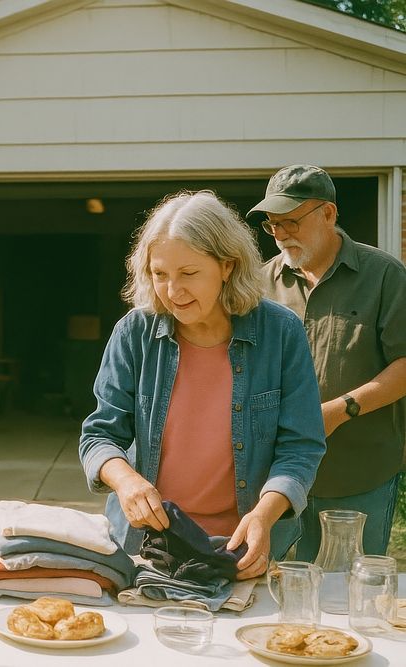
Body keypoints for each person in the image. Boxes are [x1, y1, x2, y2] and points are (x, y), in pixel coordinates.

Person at [79, 190, 326, 580]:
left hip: (244, 545)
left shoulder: (282, 332)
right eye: (160, 275)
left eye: (189, 274)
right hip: (149, 544)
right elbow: (98, 435)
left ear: (227, 266)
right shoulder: (133, 333)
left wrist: (264, 514)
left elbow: (301, 445)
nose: (173, 291)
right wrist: (124, 480)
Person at [251, 164, 406, 559]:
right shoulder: (257, 285)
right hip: (276, 480)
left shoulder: (385, 275)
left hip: (360, 473)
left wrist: (341, 410)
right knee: (280, 600)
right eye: (273, 225)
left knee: (352, 597)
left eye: (290, 222)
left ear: (328, 214)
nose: (281, 234)